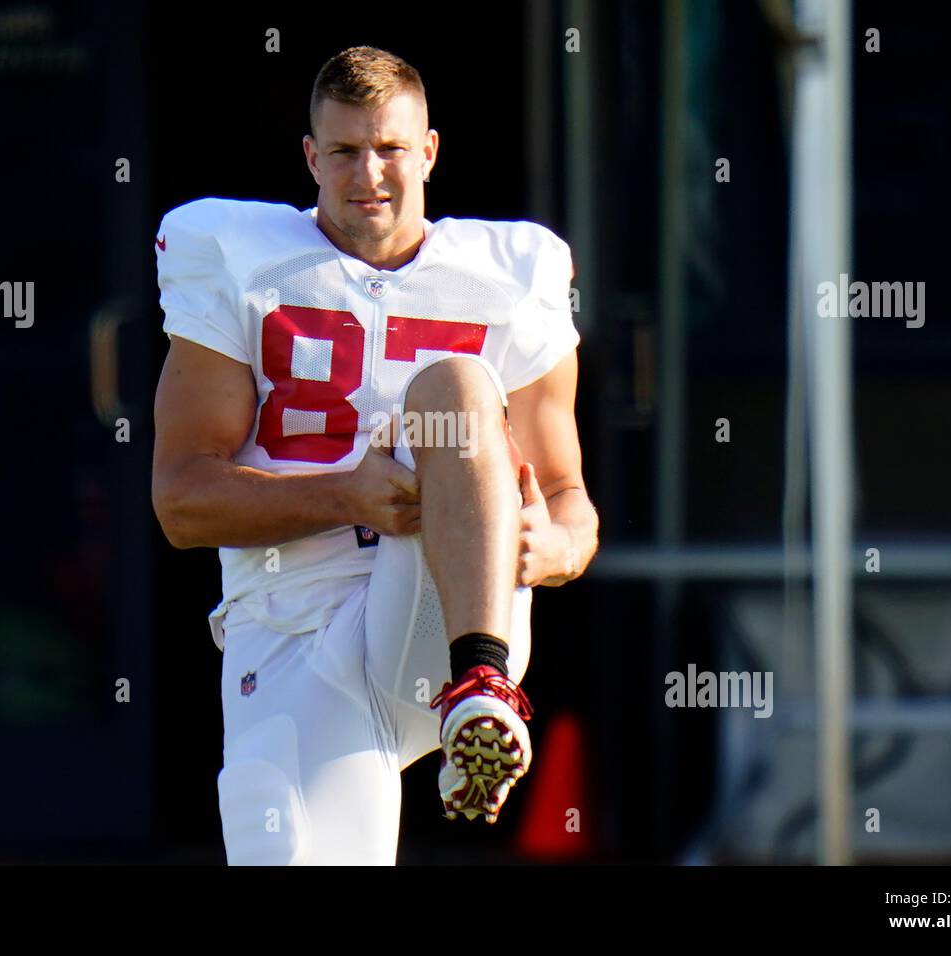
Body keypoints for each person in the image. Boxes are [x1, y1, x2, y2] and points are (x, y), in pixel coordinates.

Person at [152, 46, 597, 865]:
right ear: (311, 158)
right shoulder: (241, 256)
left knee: (458, 387)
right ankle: (472, 694)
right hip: (294, 618)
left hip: (448, 612)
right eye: (347, 151)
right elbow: (182, 502)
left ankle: (483, 685)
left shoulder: (509, 272)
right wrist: (347, 496)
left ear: (428, 151)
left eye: (390, 148)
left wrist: (559, 546)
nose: (370, 173)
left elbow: (568, 491)